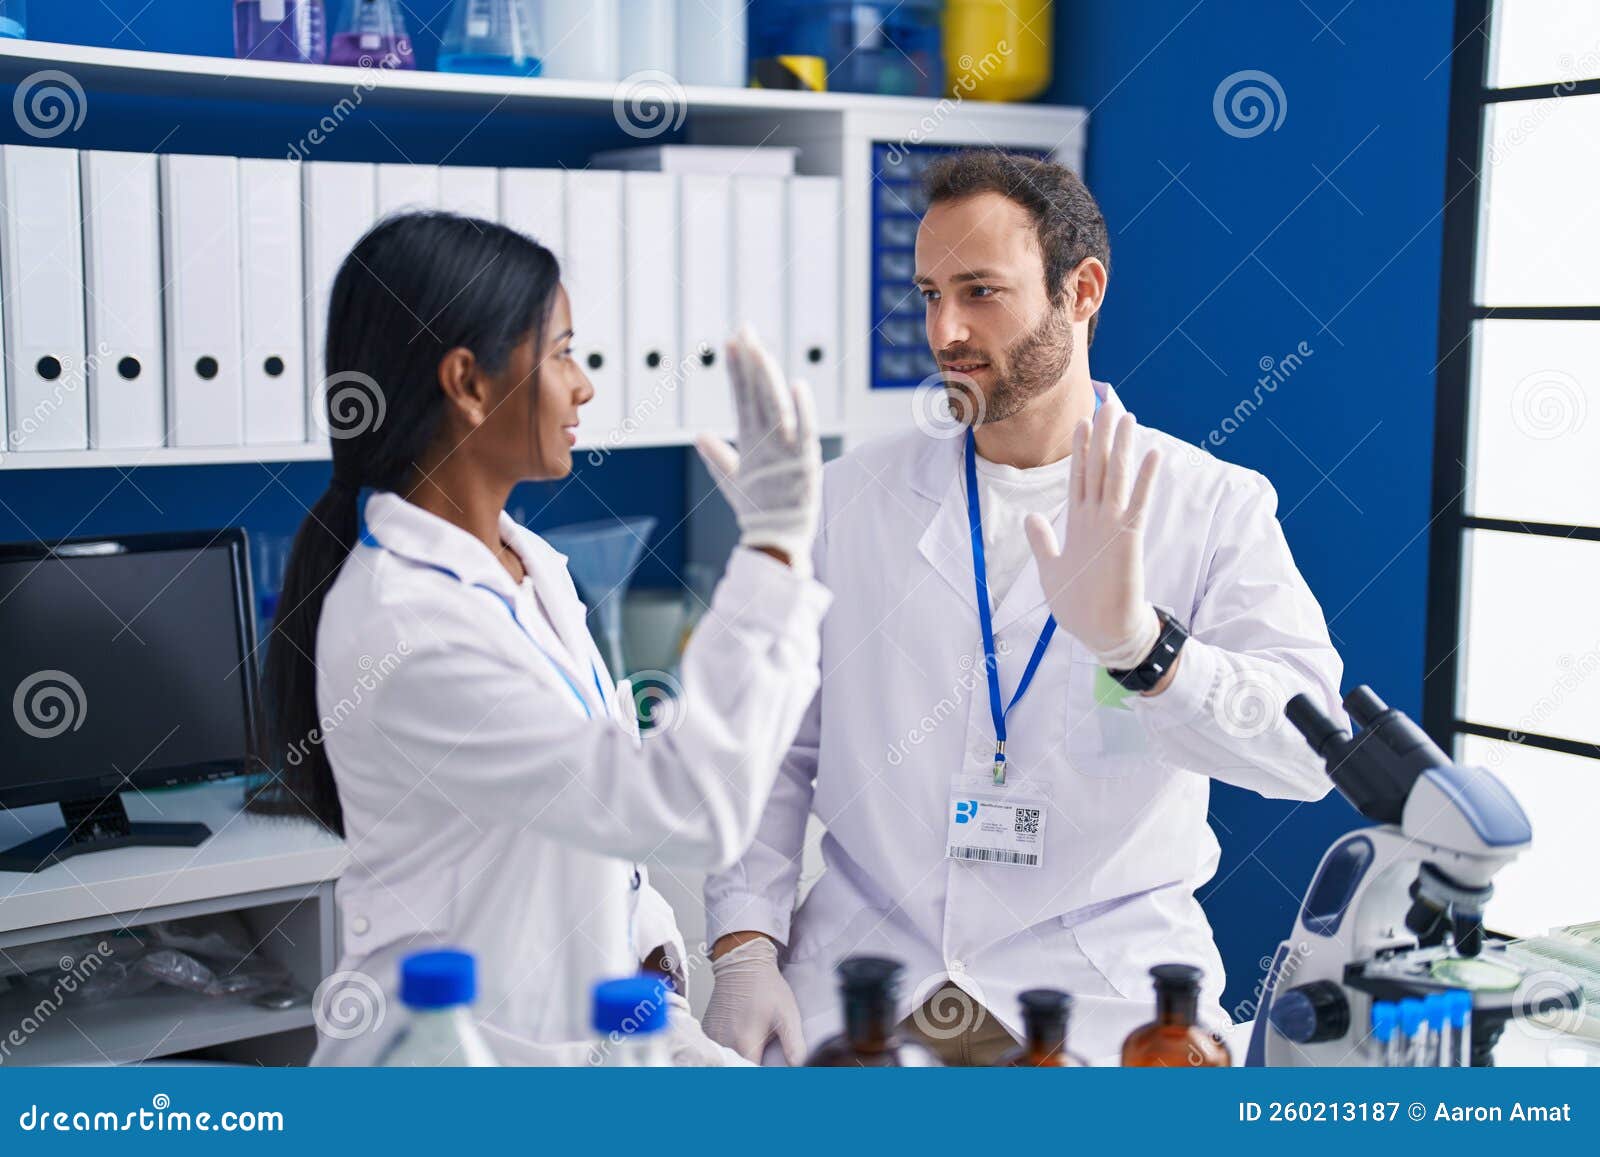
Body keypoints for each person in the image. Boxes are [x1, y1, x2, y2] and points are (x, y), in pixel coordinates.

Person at [700, 151, 1346, 1066]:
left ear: (1081, 290)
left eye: (981, 291)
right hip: (866, 983)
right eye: (928, 293)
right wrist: (744, 946)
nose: (946, 329)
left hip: (1103, 990)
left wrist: (1144, 648)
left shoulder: (1211, 506)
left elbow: (1306, 751)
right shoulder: (844, 500)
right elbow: (773, 753)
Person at [259, 212, 828, 1065]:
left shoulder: (529, 568)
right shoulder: (409, 628)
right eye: (561, 351)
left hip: (592, 1033)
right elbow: (683, 808)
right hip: (456, 1065)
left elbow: (601, 816)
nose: (584, 386)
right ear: (469, 383)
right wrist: (774, 556)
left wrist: (647, 962)